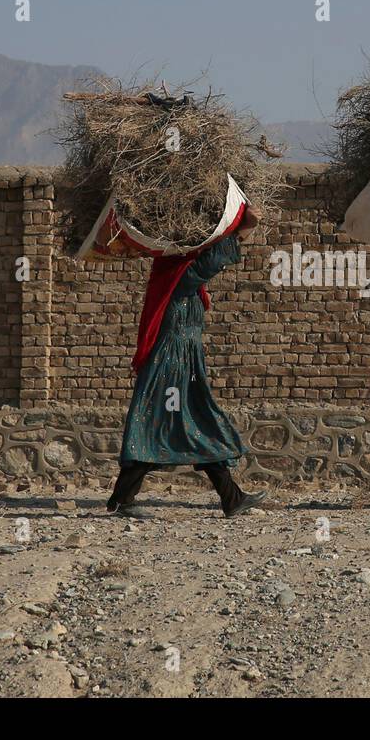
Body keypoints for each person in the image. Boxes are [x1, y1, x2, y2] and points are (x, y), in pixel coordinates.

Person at [106, 206, 266, 518]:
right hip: (170, 366)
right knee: (164, 423)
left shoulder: (181, 280)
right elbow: (208, 265)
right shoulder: (176, 276)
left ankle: (231, 498)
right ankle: (123, 499)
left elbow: (204, 265)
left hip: (183, 365)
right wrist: (242, 231)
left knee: (190, 423)